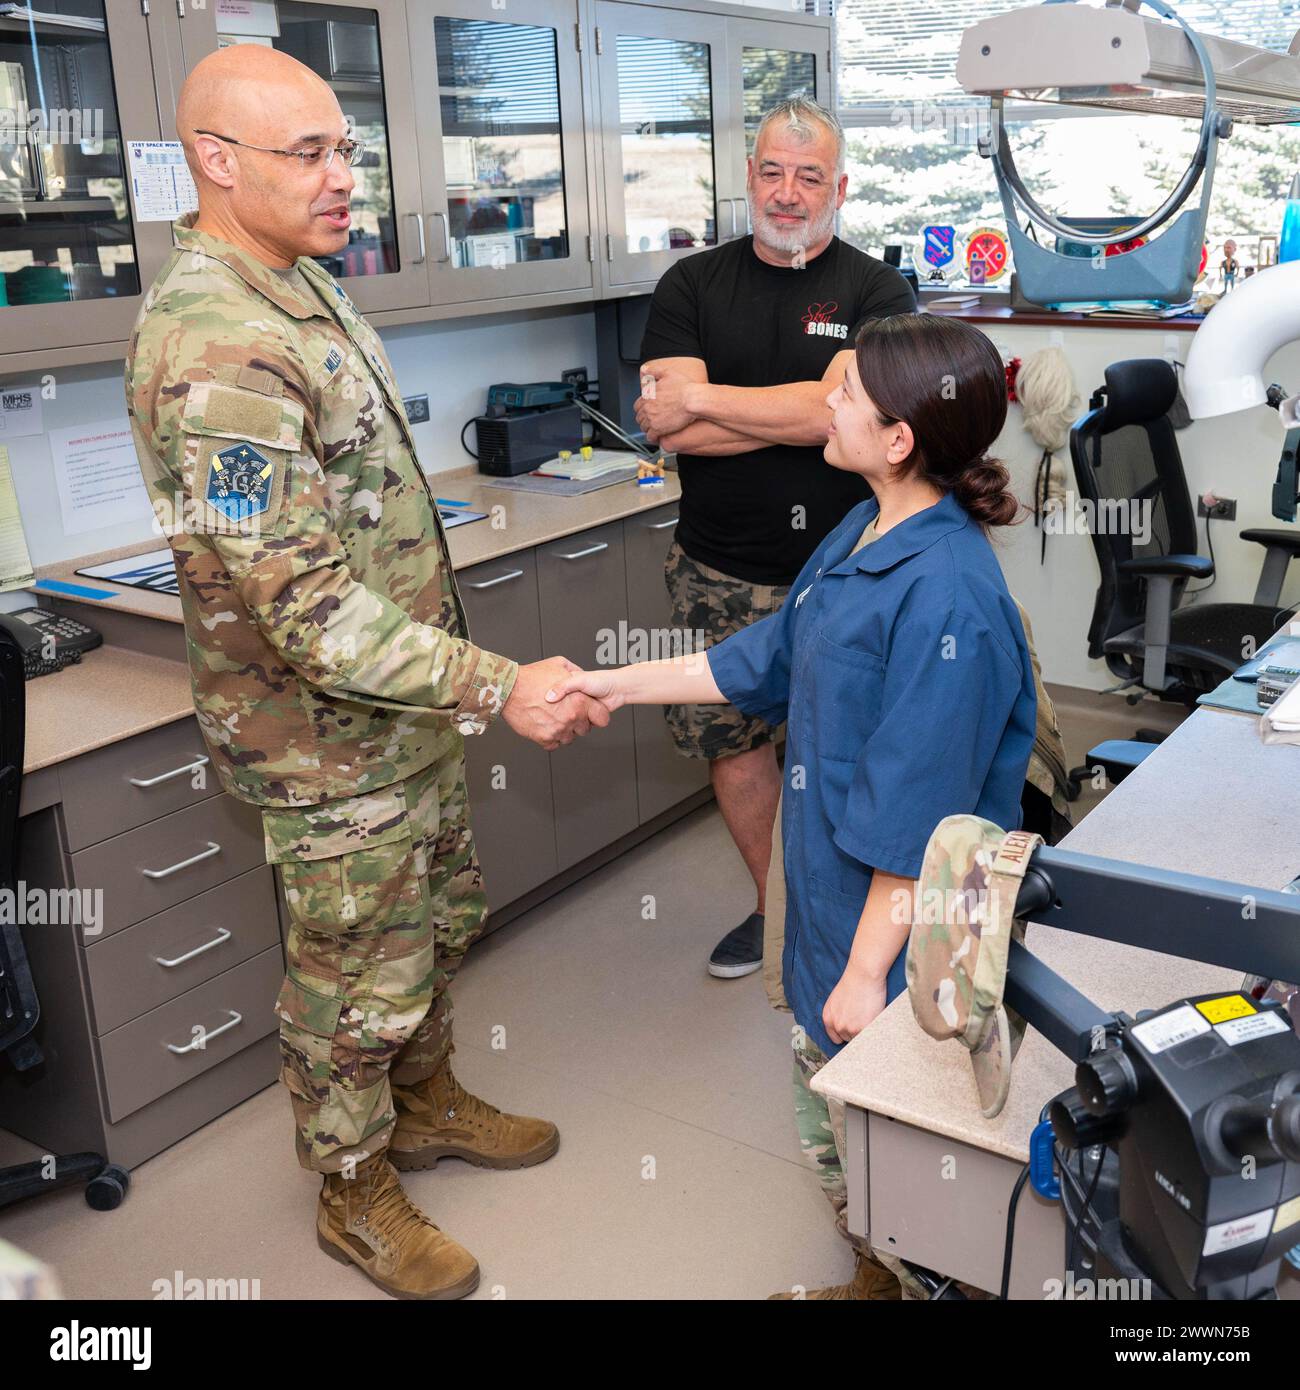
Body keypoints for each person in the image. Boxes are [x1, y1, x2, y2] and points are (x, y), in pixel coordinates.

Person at [124, 45, 609, 1301]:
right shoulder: (219, 344)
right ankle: (353, 1189)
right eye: (313, 154)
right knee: (352, 974)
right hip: (323, 741)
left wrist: (453, 688)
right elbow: (304, 610)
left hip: (395, 721)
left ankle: (428, 1103)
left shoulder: (295, 284)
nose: (348, 177)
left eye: (349, 149)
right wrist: (498, 682)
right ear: (217, 164)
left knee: (431, 926)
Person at [547, 313, 1037, 1299]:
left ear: (899, 438)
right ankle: (875, 1273)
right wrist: (610, 684)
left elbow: (923, 822)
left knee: (903, 1148)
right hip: (828, 893)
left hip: (895, 942)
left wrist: (862, 977)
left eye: (846, 390)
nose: (829, 401)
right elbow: (756, 663)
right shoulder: (866, 527)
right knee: (843, 1133)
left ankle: (913, 1276)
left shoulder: (945, 598)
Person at [636, 96, 916, 981]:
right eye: (771, 171)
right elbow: (671, 432)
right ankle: (776, 911)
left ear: (840, 186)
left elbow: (844, 413)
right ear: (747, 177)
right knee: (737, 747)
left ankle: (860, 929)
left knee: (861, 753)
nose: (787, 193)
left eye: (808, 176)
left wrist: (707, 400)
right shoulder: (691, 285)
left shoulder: (877, 291)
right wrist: (805, 408)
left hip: (851, 568)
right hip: (718, 566)